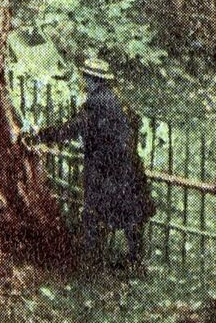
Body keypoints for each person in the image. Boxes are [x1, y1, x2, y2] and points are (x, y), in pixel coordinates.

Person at [31, 59, 154, 266]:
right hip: (128, 165)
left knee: (95, 210)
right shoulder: (117, 99)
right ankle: (134, 258)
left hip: (107, 169)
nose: (84, 82)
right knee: (130, 212)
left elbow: (71, 128)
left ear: (95, 81)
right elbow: (133, 124)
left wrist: (42, 136)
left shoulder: (95, 103)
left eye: (87, 78)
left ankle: (92, 258)